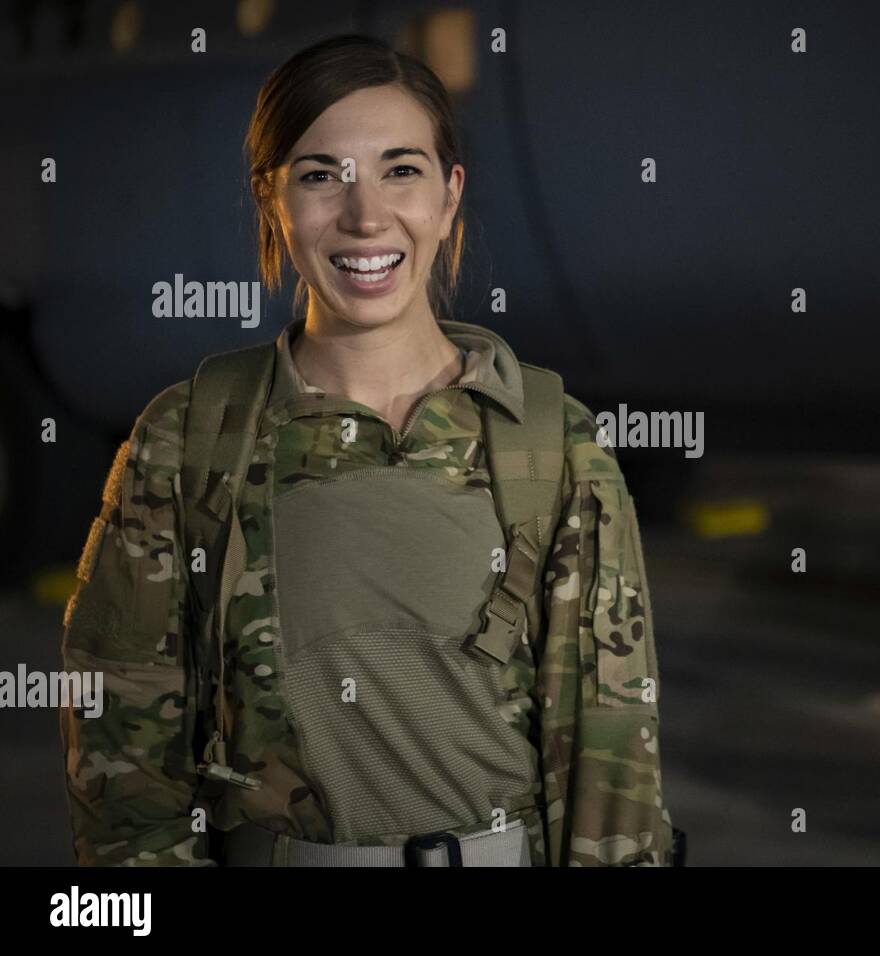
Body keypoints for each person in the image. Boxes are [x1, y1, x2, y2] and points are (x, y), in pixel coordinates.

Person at [58, 34, 675, 867]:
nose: (365, 215)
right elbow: (126, 766)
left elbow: (613, 763)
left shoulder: (552, 442)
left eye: (401, 169)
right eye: (320, 175)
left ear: (450, 195)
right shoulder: (189, 440)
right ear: (271, 198)